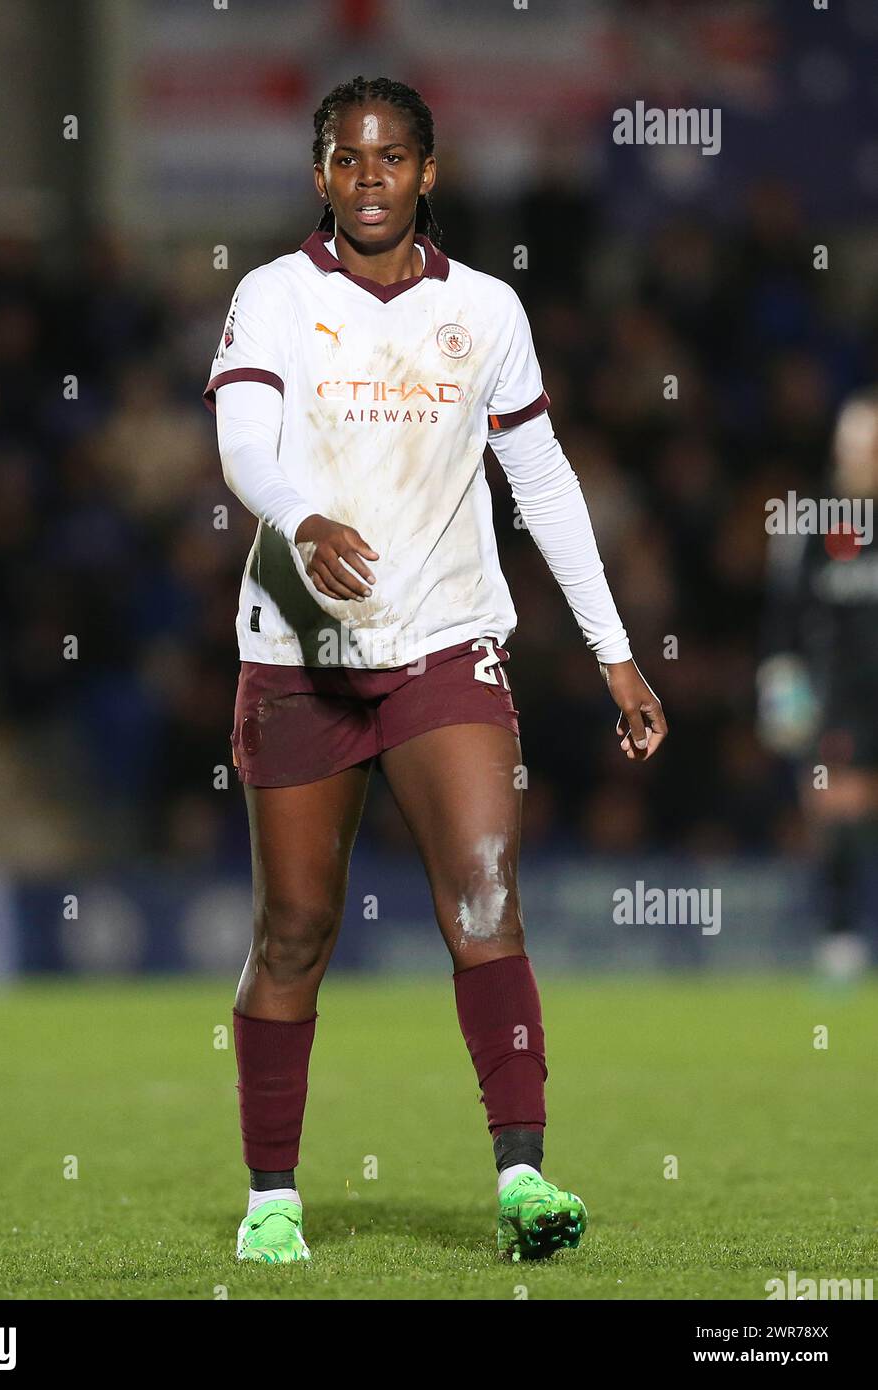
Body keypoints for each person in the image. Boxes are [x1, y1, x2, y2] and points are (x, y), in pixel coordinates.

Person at [203, 75, 667, 1264]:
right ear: (319, 175)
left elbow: (544, 481)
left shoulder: (488, 312)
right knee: (296, 929)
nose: (369, 178)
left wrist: (614, 655)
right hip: (298, 652)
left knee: (482, 896)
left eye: (391, 158)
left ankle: (522, 1177)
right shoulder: (271, 297)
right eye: (347, 159)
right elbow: (244, 445)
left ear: (427, 172)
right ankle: (271, 1197)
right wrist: (303, 518)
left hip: (443, 640)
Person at [758, 387, 878, 983]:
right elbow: (783, 623)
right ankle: (840, 935)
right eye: (860, 444)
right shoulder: (813, 524)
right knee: (838, 813)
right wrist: (783, 700)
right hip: (839, 705)